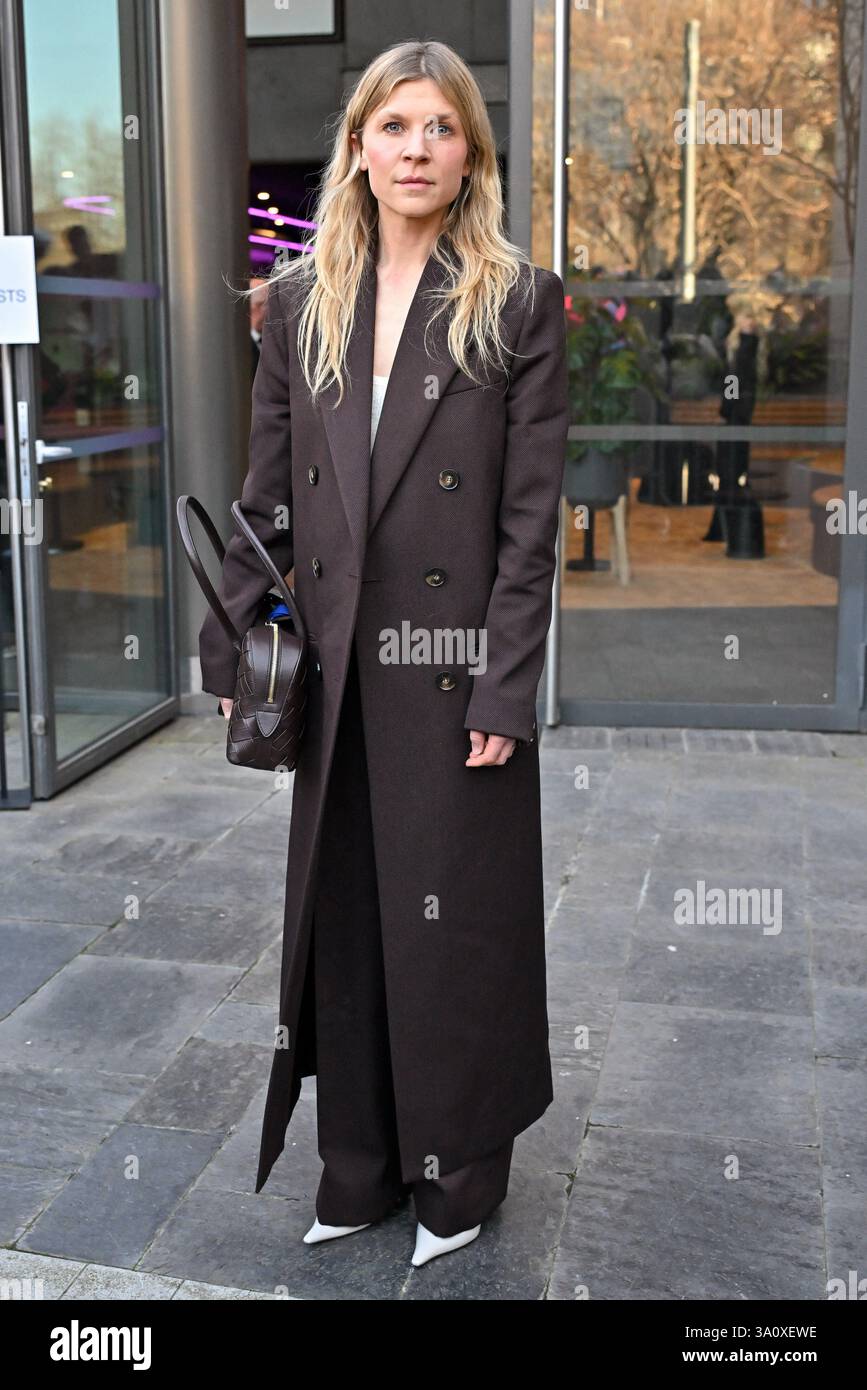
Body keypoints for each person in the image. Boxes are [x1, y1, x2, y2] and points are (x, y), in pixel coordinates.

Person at [198, 39, 570, 1269]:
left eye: (442, 129)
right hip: (341, 671)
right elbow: (265, 504)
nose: (417, 148)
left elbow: (528, 524)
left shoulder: (516, 300)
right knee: (346, 920)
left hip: (456, 670)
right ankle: (357, 1162)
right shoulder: (298, 302)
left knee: (455, 926)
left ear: (471, 156)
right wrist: (247, 657)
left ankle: (458, 1174)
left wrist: (508, 686)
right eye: (395, 125)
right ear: (357, 144)